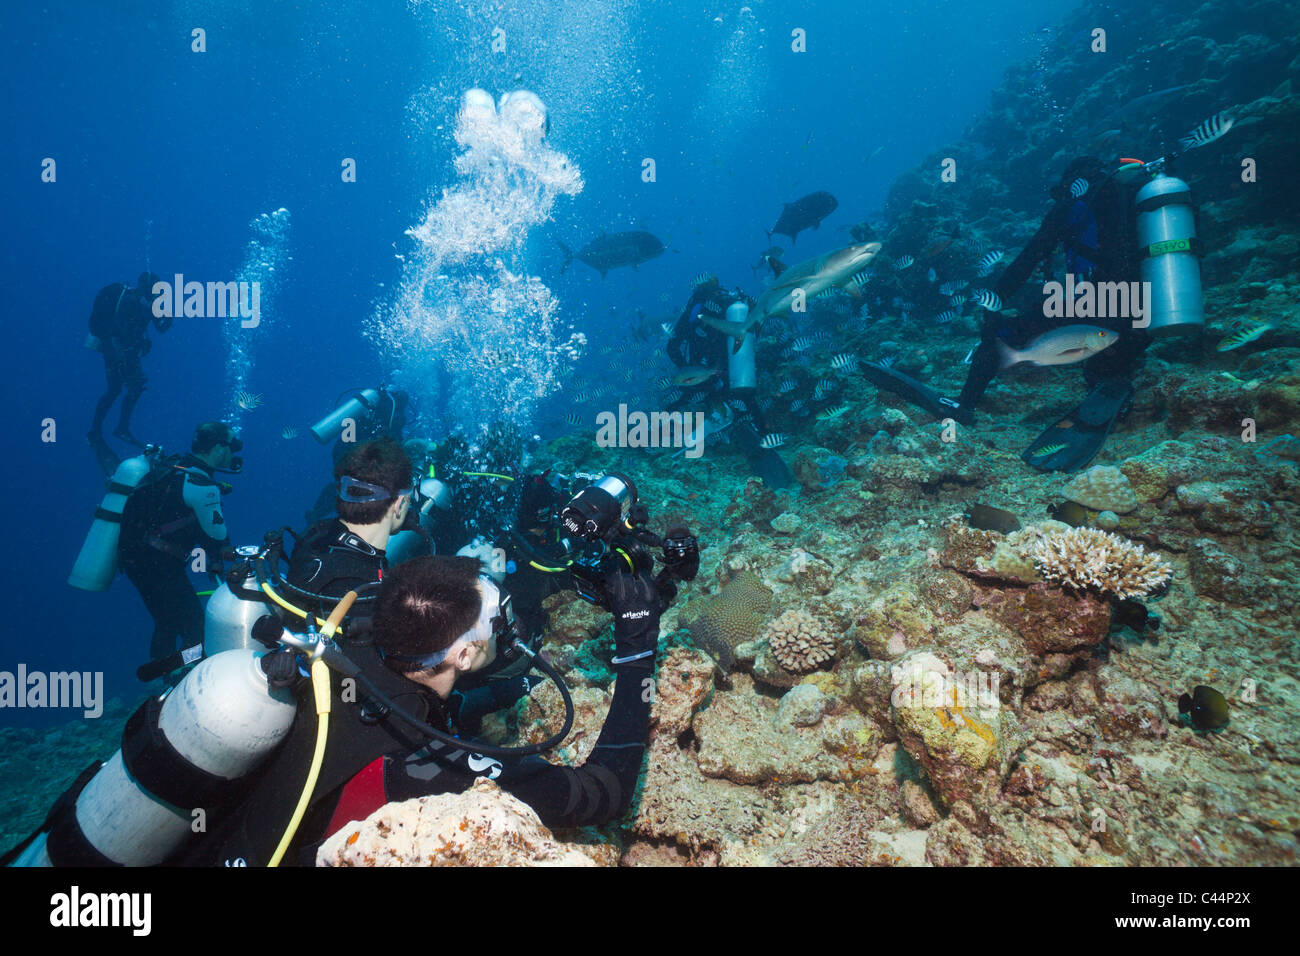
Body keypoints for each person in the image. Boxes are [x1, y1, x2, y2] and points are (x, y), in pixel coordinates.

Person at [179, 552, 667, 866]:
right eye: (496, 621)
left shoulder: (351, 651)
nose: (506, 628)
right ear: (463, 655)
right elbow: (605, 793)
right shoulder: (417, 765)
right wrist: (637, 649)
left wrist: (500, 693)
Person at [943, 156, 1150, 427]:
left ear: (1072, 184)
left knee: (1002, 333)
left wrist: (993, 306)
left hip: (1095, 302)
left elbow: (1027, 261)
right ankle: (1112, 384)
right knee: (1105, 351)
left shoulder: (1073, 207)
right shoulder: (1137, 199)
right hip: (1146, 308)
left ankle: (964, 406)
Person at [119, 421, 240, 673]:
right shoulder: (201, 485)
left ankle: (160, 673)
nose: (234, 453)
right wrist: (232, 556)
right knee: (195, 628)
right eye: (231, 446)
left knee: (167, 621)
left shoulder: (176, 468)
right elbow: (217, 536)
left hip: (135, 557)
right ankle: (186, 672)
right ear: (218, 448)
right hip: (157, 565)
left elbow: (184, 520)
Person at [667, 276, 791, 487]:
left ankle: (679, 438)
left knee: (696, 399)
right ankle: (764, 437)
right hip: (734, 361)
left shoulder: (696, 305)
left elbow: (672, 346)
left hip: (704, 369)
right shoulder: (732, 303)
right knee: (746, 397)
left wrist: (688, 370)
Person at [86, 272, 170, 450]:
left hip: (123, 351)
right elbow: (123, 332)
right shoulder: (130, 301)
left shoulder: (150, 304)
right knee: (129, 387)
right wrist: (138, 344)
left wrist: (168, 316)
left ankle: (99, 430)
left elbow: (161, 328)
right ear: (145, 286)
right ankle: (118, 428)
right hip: (117, 350)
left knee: (115, 390)